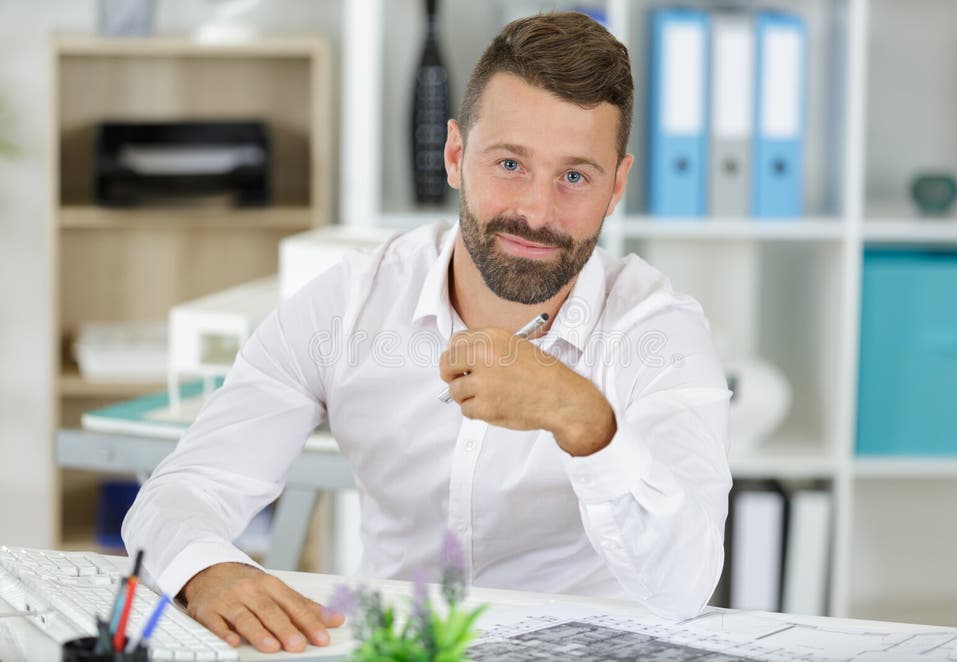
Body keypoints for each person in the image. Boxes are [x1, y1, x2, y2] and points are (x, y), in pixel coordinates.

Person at [123, 11, 732, 654]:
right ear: (454, 155)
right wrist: (206, 568)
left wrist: (586, 424)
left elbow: (683, 585)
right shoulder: (350, 304)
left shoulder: (658, 333)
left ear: (616, 188)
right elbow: (186, 487)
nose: (536, 211)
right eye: (509, 164)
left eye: (575, 176)